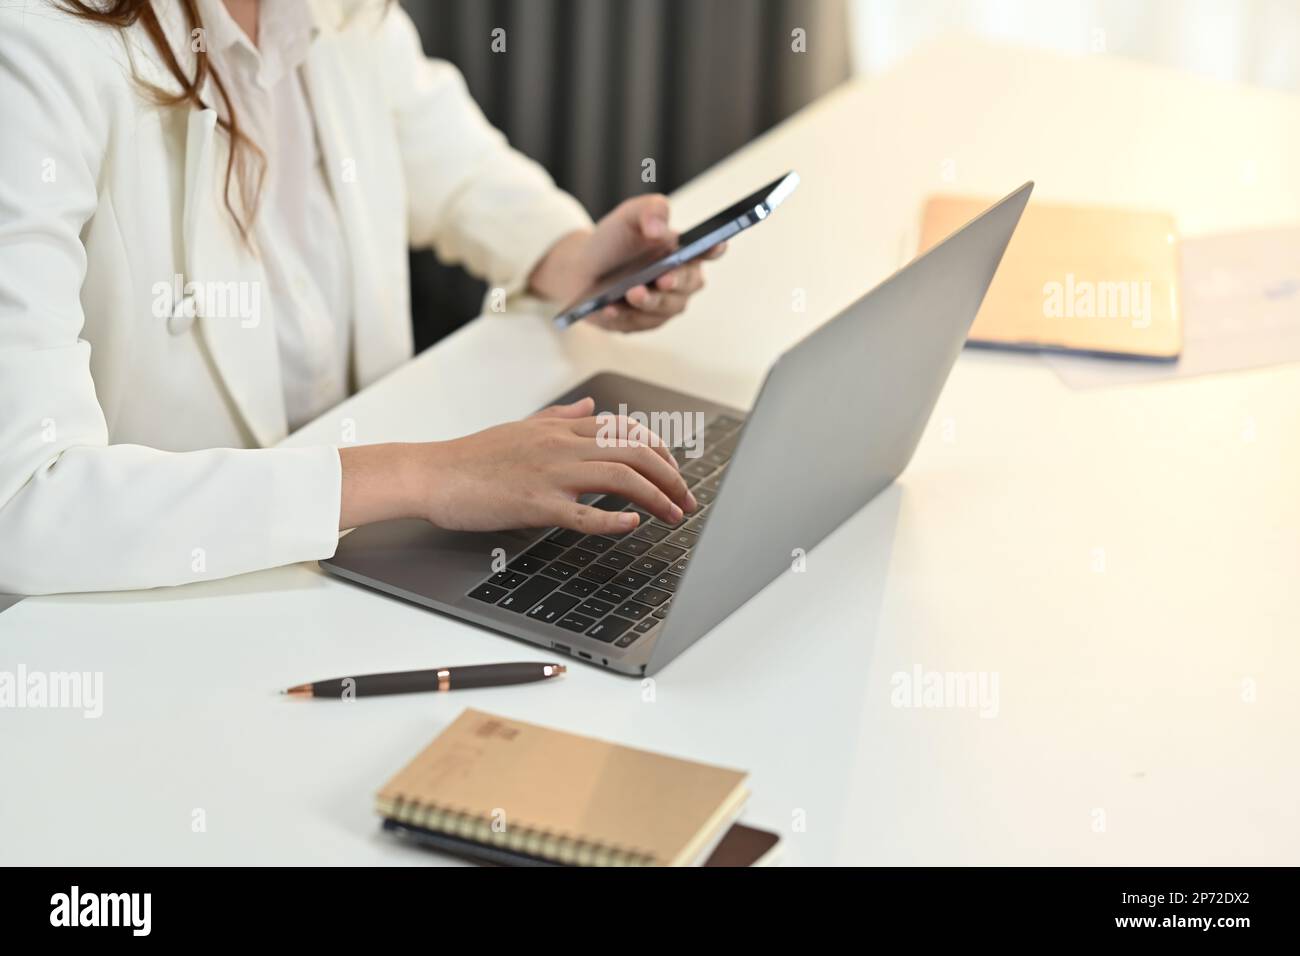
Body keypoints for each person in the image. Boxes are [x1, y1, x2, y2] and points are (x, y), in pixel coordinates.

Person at [0, 0, 722, 595]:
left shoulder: (338, 11)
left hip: (352, 573)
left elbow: (452, 167)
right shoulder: (31, 46)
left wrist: (571, 258)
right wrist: (428, 475)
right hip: (166, 609)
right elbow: (25, 503)